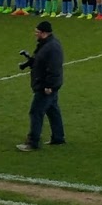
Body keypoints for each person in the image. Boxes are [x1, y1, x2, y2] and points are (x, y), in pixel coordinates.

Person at [16, 21, 66, 151]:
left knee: (36, 112)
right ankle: (58, 137)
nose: (35, 34)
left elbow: (54, 68)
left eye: (37, 32)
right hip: (47, 84)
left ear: (44, 33)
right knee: (53, 110)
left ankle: (32, 142)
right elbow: (41, 62)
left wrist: (49, 85)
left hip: (46, 86)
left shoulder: (51, 47)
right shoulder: (46, 44)